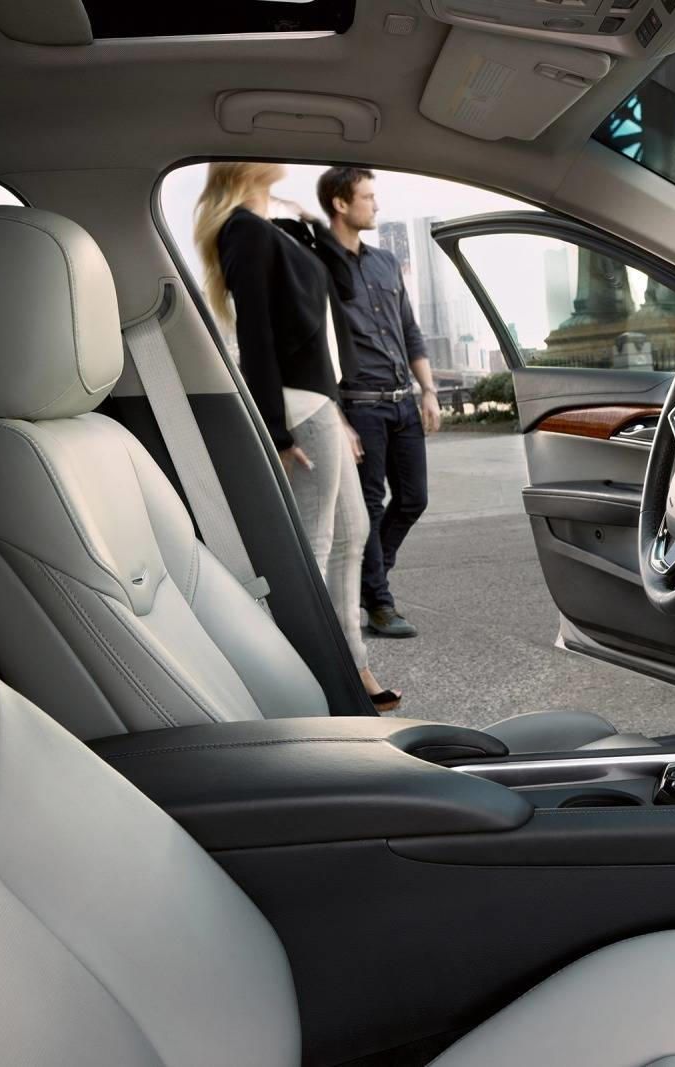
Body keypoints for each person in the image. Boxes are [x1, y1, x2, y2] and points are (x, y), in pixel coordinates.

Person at [192, 162, 401, 710]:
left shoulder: (279, 230)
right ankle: (309, 682)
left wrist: (309, 224)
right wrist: (278, 433)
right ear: (244, 165)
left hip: (322, 402)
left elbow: (341, 287)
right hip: (298, 406)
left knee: (353, 534)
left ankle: (351, 665)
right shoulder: (243, 230)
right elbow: (256, 333)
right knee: (315, 545)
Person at [311, 167, 442, 638]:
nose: (376, 205)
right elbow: (314, 345)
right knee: (368, 507)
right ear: (340, 204)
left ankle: (370, 581)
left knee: (413, 498)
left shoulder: (386, 262)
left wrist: (428, 391)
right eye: (367, 197)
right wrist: (337, 418)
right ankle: (381, 604)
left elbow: (409, 330)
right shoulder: (318, 267)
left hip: (403, 401)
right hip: (360, 405)